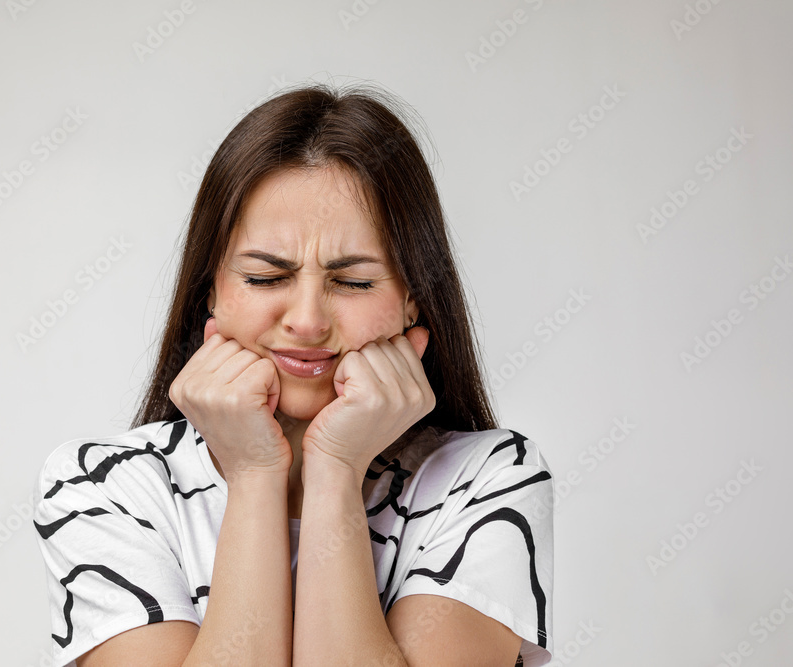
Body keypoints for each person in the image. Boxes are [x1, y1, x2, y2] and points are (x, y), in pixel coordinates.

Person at [33, 82, 554, 666]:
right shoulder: (105, 485)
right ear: (212, 289)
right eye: (265, 277)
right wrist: (256, 475)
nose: (306, 322)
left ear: (414, 299)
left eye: (353, 282)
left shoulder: (487, 479)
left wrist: (336, 470)